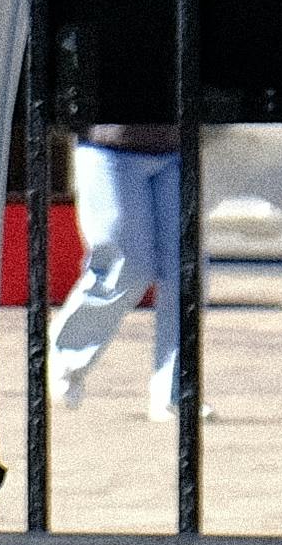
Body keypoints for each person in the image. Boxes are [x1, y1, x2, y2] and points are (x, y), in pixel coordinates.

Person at [46, 118, 187, 415]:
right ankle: (66, 357)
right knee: (123, 268)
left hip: (178, 148)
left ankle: (175, 393)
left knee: (186, 273)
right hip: (108, 145)